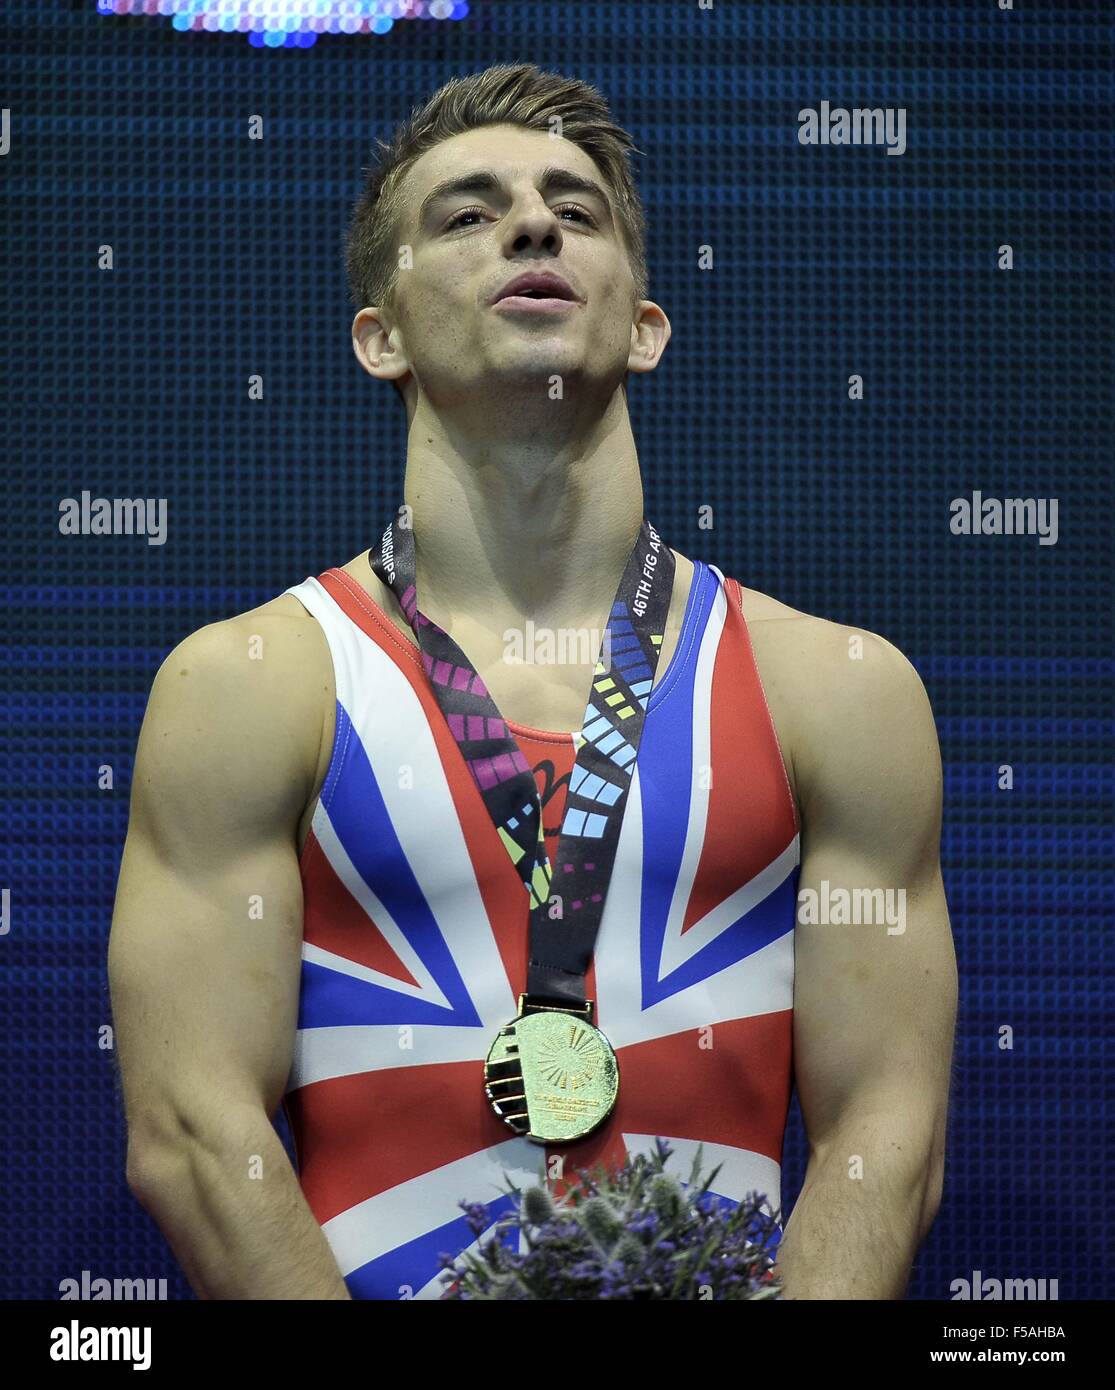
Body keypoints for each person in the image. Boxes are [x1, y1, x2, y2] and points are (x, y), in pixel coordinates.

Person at [108, 62, 957, 1301]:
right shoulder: (250, 686)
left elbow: (887, 1133)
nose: (531, 225)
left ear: (644, 325)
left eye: (576, 206)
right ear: (379, 335)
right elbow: (192, 1137)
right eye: (465, 213)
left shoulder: (836, 691)